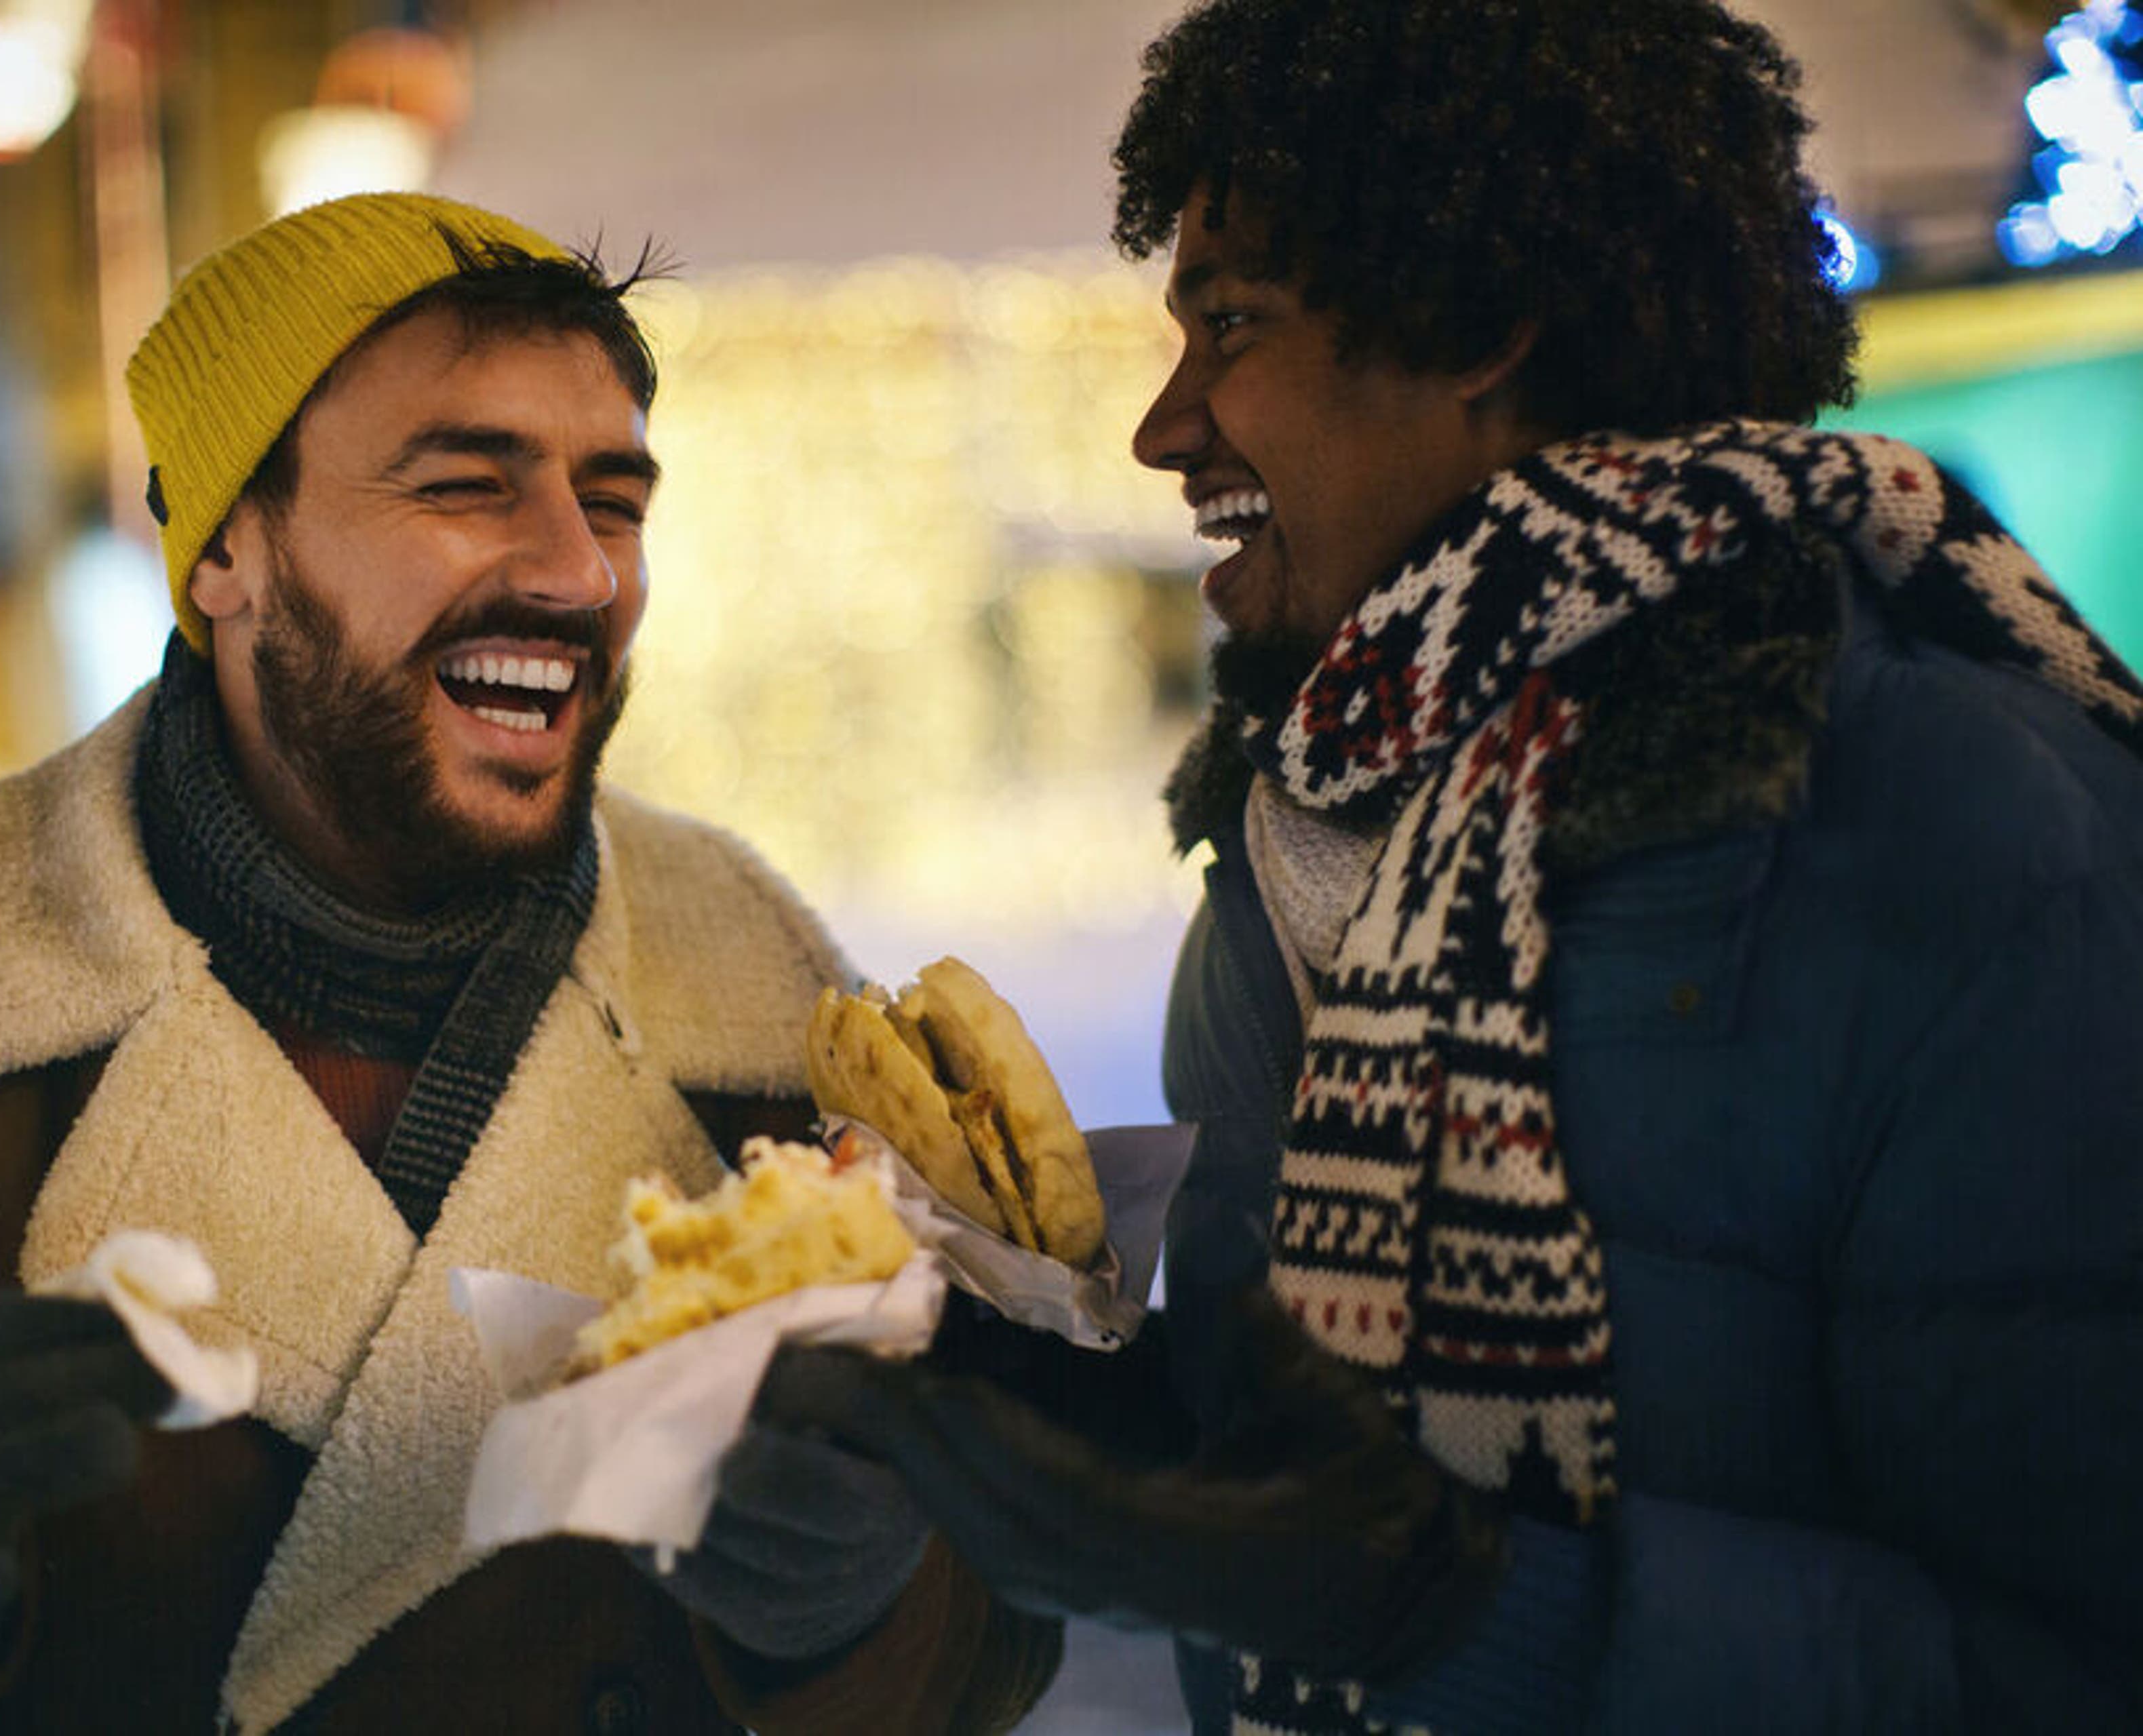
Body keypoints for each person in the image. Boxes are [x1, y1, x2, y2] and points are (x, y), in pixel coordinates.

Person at [760, 3, 2143, 1731]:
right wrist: (1075, 1423)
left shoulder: (1949, 823)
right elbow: (1305, 1453)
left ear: (1484, 320)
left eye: (1233, 325)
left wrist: (1468, 1606)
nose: (1164, 425)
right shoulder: (1303, 847)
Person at [0, 193, 1057, 1734]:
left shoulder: (789, 1041)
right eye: (468, 485)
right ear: (226, 552)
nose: (580, 572)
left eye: (615, 501)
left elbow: (1003, 1637)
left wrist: (859, 1606)